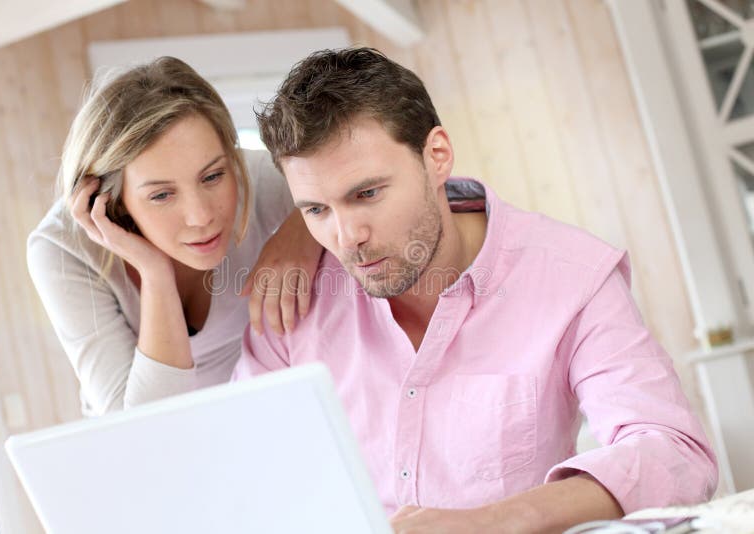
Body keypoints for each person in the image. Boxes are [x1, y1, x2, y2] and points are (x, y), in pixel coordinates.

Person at [235, 47, 718, 533]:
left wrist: (493, 523)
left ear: (437, 156)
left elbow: (674, 453)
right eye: (316, 210)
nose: (347, 238)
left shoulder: (572, 277)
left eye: (367, 194)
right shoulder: (290, 301)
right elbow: (241, 473)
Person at [27, 56, 323, 416]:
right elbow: (139, 426)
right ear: (113, 202)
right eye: (161, 195)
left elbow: (349, 189)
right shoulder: (62, 250)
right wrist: (155, 273)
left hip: (251, 414)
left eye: (212, 176)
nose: (201, 216)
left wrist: (302, 227)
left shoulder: (253, 179)